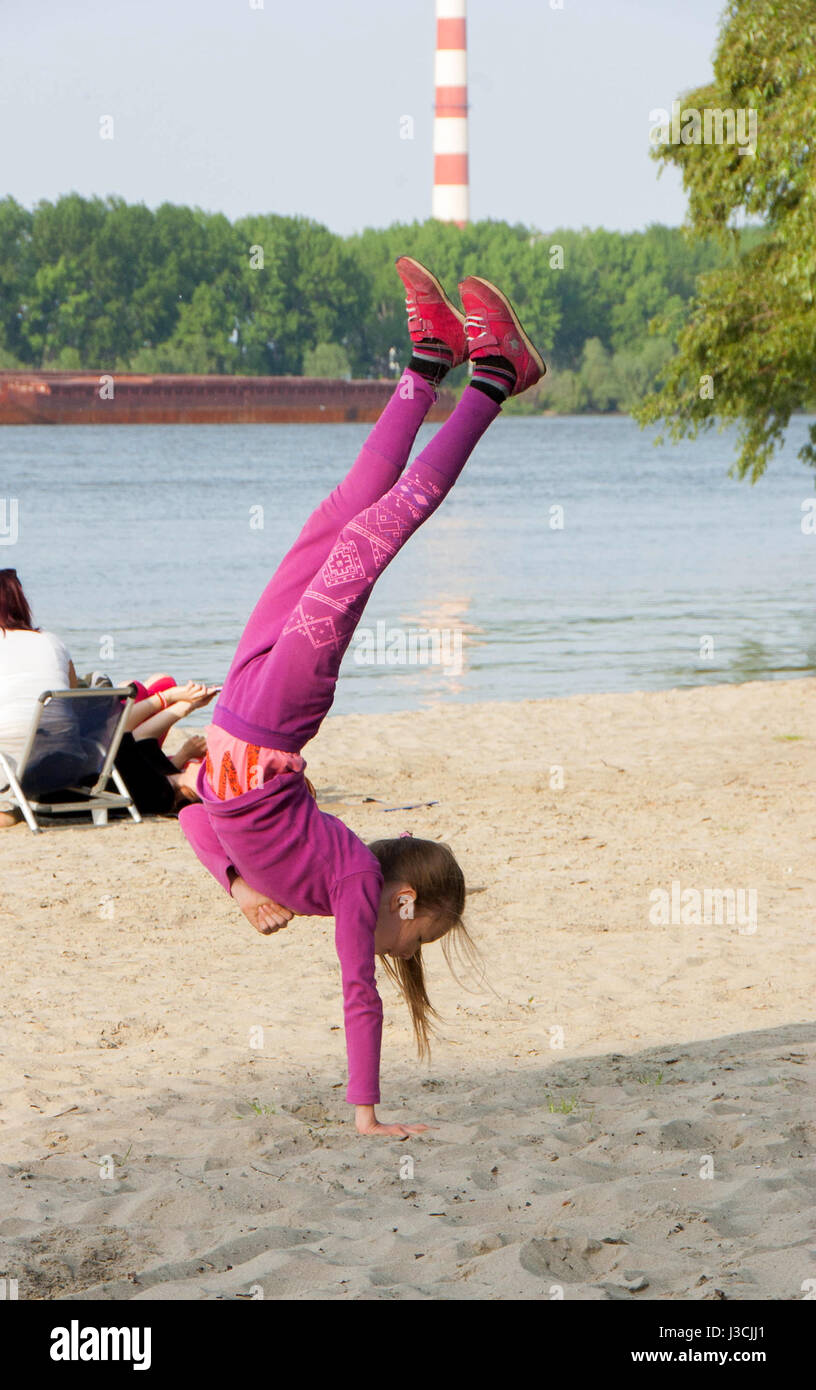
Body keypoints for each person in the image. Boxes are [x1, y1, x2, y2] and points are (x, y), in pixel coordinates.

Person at [179, 258, 546, 1137]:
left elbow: (192, 814)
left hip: (241, 696)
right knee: (377, 530)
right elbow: (358, 993)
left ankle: (430, 363)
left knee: (348, 508)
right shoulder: (347, 881)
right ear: (405, 903)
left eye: (408, 955)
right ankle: (496, 379)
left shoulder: (317, 891)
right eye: (410, 947)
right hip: (281, 703)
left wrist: (234, 887)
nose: (391, 958)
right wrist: (367, 1115)